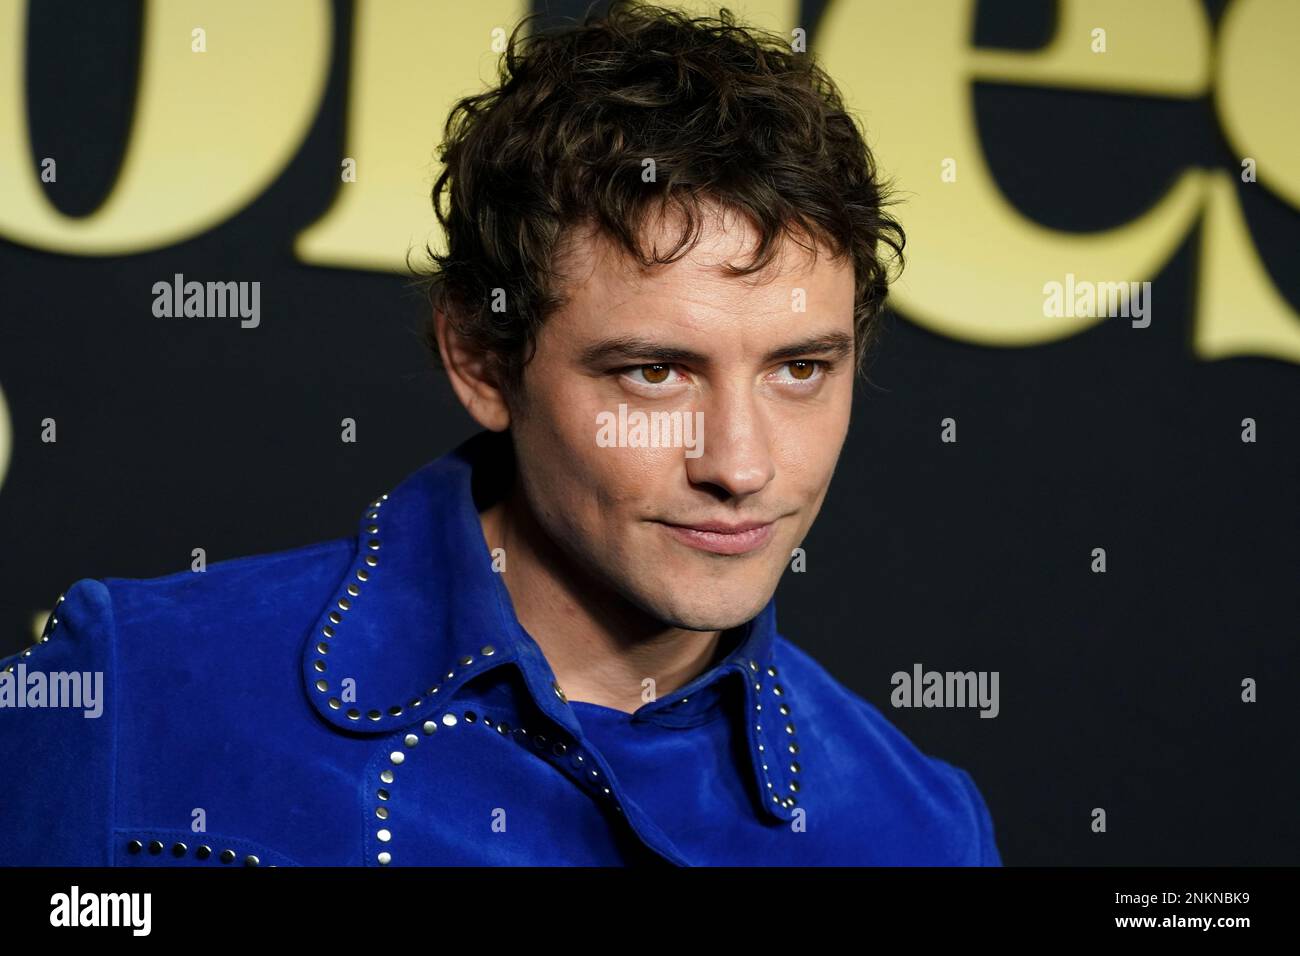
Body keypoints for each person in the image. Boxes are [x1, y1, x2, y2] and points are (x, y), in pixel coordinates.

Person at [0, 0, 1000, 866]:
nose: (739, 464)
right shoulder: (133, 691)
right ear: (481, 359)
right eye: (654, 372)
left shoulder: (919, 827)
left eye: (800, 369)